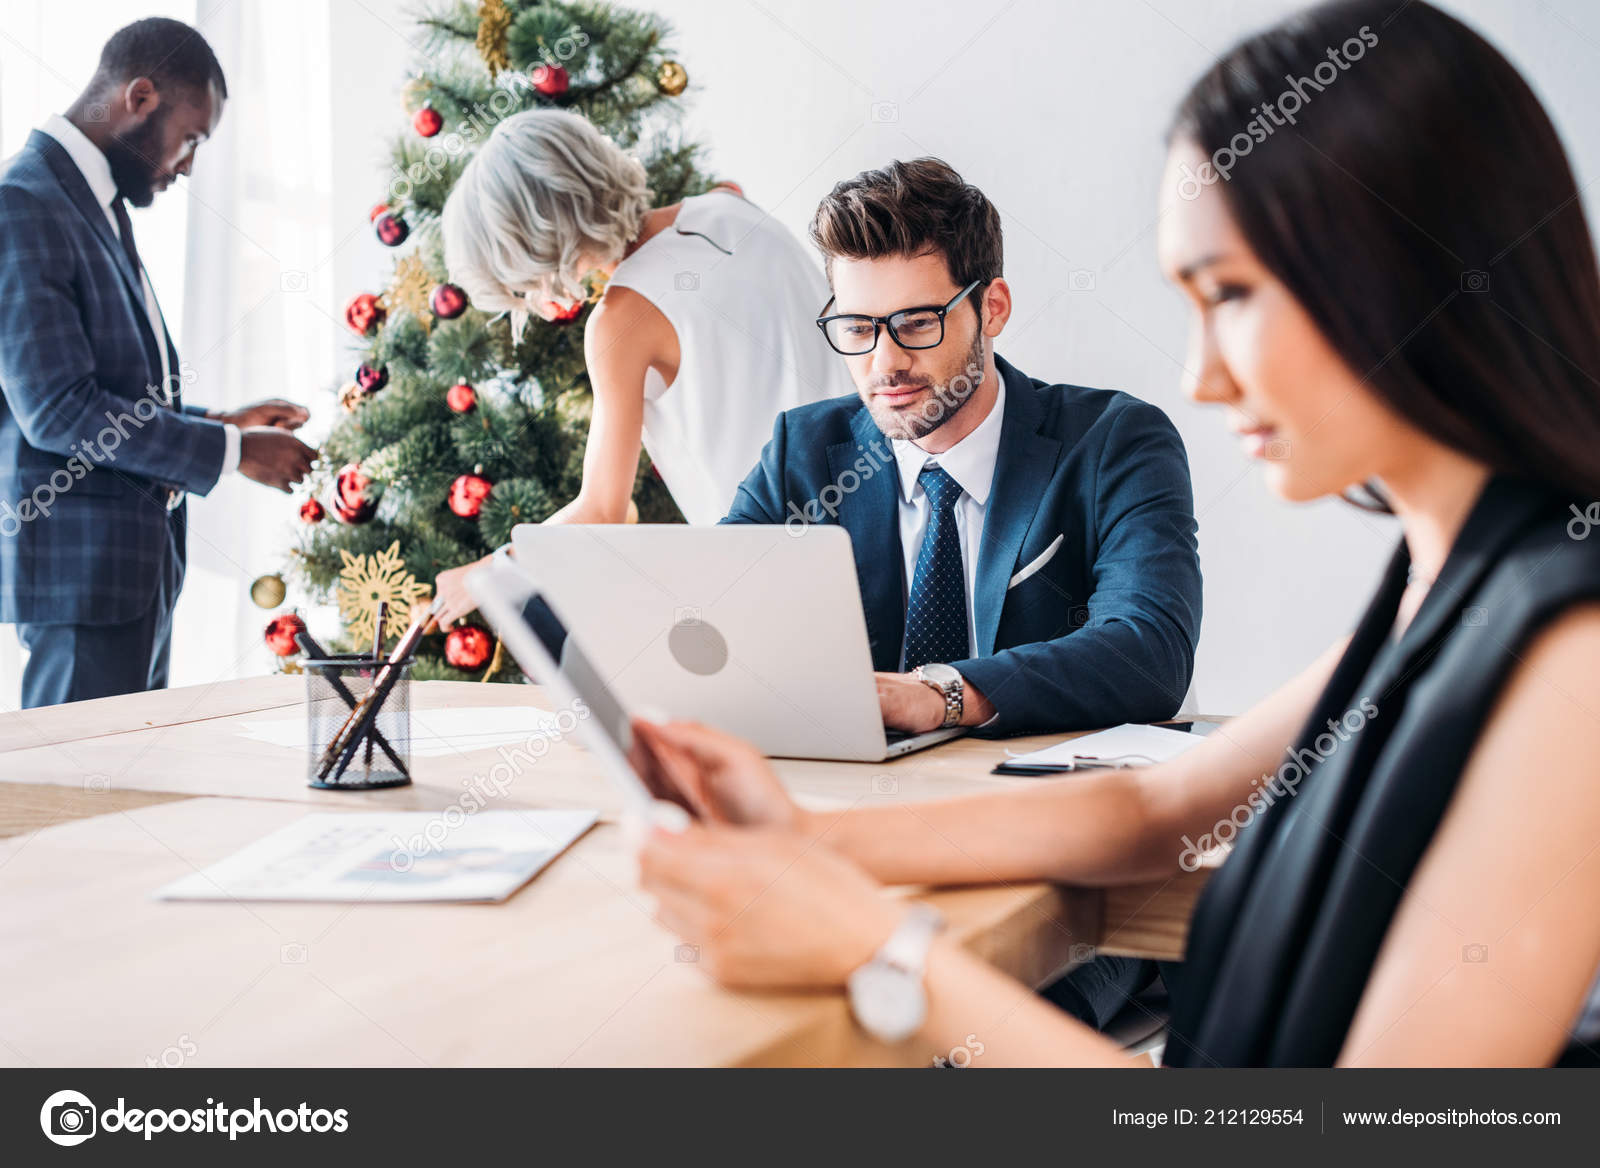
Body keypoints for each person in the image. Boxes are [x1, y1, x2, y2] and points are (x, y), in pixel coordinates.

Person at [629, 0, 1600, 1066]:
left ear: (1406, 275)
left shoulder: (1569, 648)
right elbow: (1157, 807)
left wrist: (871, 942)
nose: (1202, 375)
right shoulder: (1444, 578)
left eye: (1231, 294)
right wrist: (802, 835)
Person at [723, 158, 1203, 739]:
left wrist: (943, 695)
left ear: (992, 308)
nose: (885, 362)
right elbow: (713, 614)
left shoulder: (1115, 442)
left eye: (918, 323)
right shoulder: (799, 452)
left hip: (1045, 802)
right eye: (856, 328)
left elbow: (1149, 652)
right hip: (852, 799)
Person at [0, 18, 316, 709]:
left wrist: (219, 420)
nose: (188, 165)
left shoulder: (90, 202)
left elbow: (103, 386)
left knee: (126, 800)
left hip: (128, 578)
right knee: (78, 805)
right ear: (140, 98)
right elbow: (56, 411)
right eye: (192, 139)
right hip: (85, 585)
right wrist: (232, 450)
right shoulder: (22, 202)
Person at [430, 109, 848, 629]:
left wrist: (483, 575)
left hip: (774, 577)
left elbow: (601, 511)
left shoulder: (622, 317)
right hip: (876, 528)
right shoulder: (730, 209)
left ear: (538, 241)